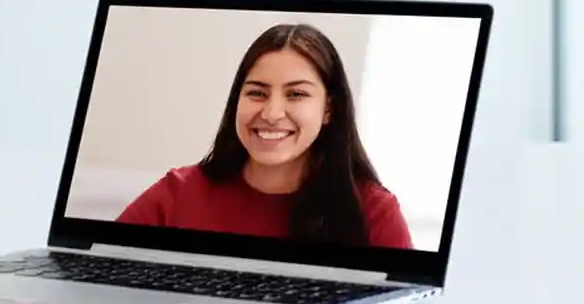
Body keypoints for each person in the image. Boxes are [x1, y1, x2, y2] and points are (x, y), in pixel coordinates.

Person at [116, 23, 412, 249]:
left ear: (328, 109)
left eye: (296, 94)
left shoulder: (374, 211)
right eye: (257, 93)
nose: (271, 113)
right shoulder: (176, 195)